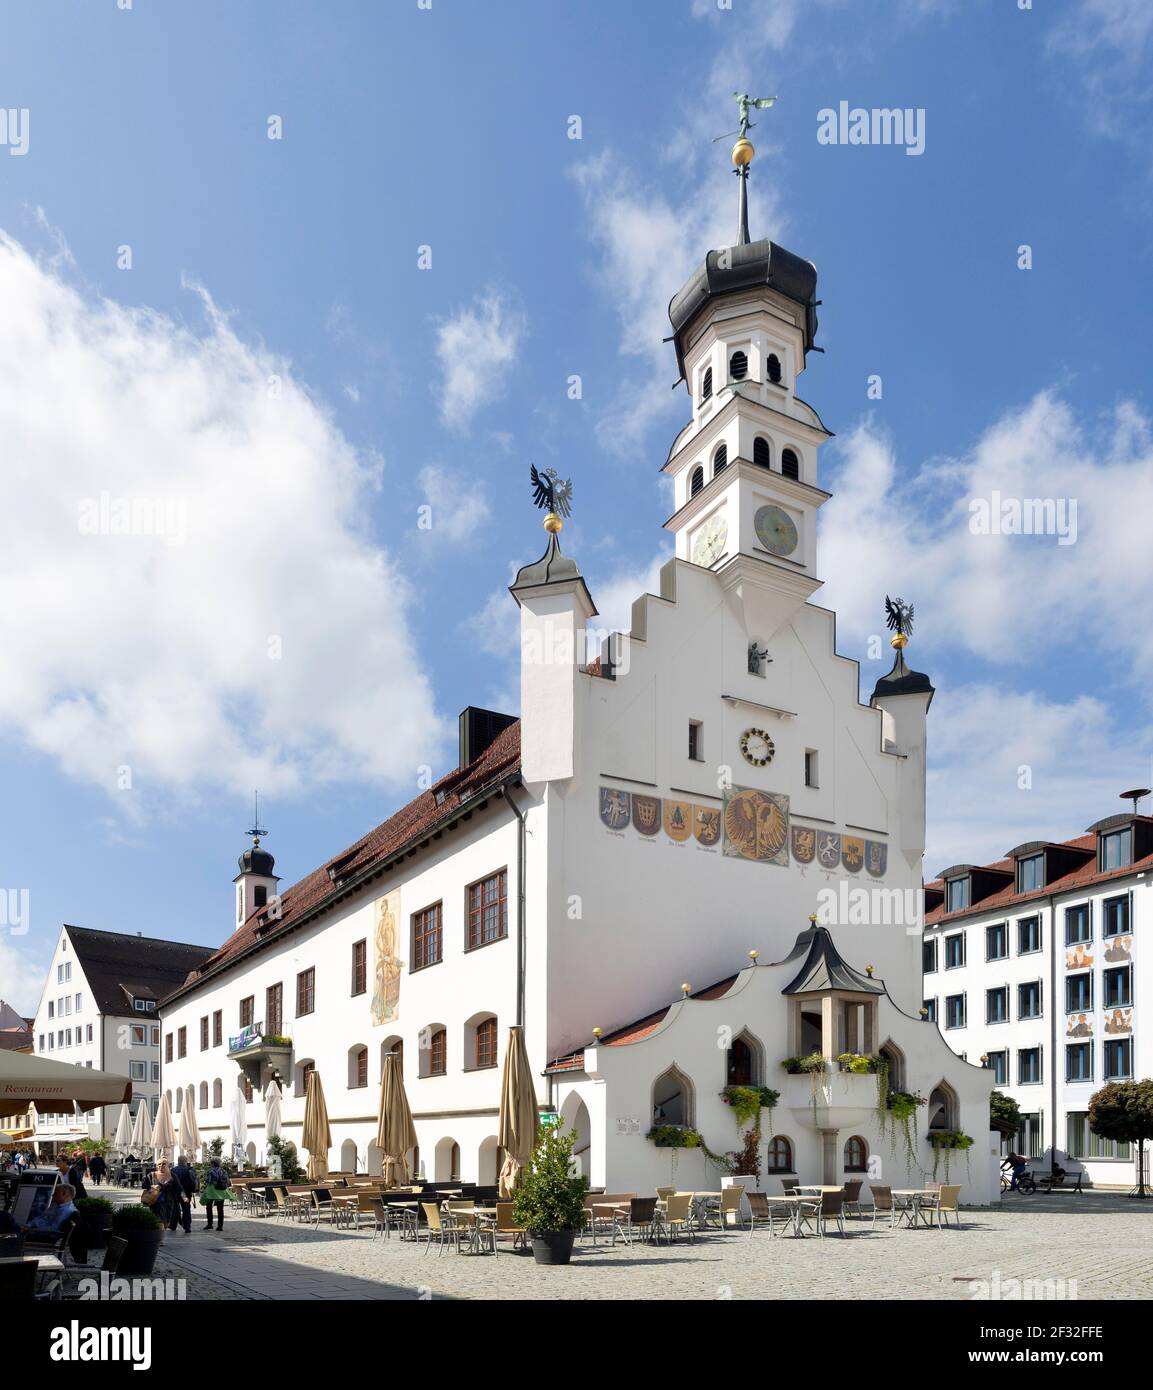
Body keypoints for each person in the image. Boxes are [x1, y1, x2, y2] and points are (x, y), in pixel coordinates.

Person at [169, 1154, 199, 1235]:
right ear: (185, 1161)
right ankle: (187, 1226)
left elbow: (170, 1182)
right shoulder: (189, 1170)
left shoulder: (173, 1170)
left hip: (176, 1193)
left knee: (175, 1209)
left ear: (178, 1161)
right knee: (186, 1209)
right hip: (186, 1193)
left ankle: (173, 1225)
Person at [202, 1158, 231, 1231]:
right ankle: (220, 1226)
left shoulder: (210, 1171)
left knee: (209, 1207)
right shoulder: (223, 1171)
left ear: (212, 1163)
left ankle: (210, 1224)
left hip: (211, 1190)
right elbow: (227, 1181)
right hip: (221, 1190)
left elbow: (208, 1181)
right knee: (220, 1208)